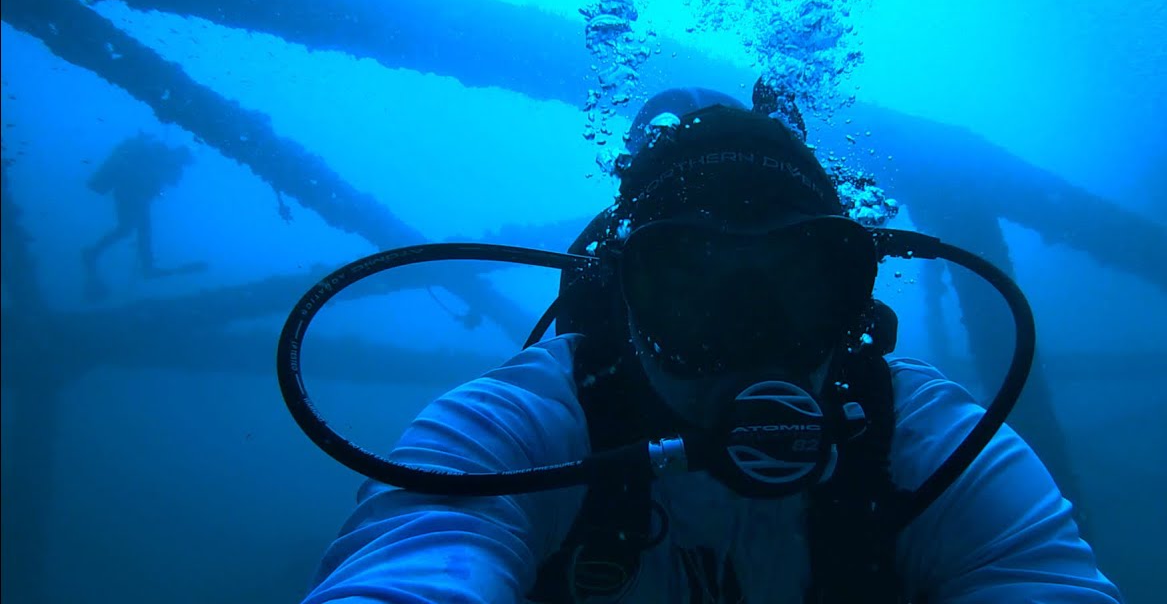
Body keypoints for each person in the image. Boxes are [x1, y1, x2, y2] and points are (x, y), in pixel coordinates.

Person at [301, 86, 1122, 604]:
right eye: (694, 284)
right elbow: (416, 565)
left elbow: (1038, 578)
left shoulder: (933, 445)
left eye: (797, 285)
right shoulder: (518, 431)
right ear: (624, 296)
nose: (753, 342)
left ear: (854, 296)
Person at [82, 131, 204, 300]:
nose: (182, 165)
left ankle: (96, 253)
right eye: (183, 161)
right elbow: (149, 171)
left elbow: (169, 181)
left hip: (136, 196)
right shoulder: (157, 151)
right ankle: (145, 267)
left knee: (129, 230)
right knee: (139, 230)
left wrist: (168, 171)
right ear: (180, 153)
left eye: (184, 163)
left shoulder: (168, 161)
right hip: (130, 194)